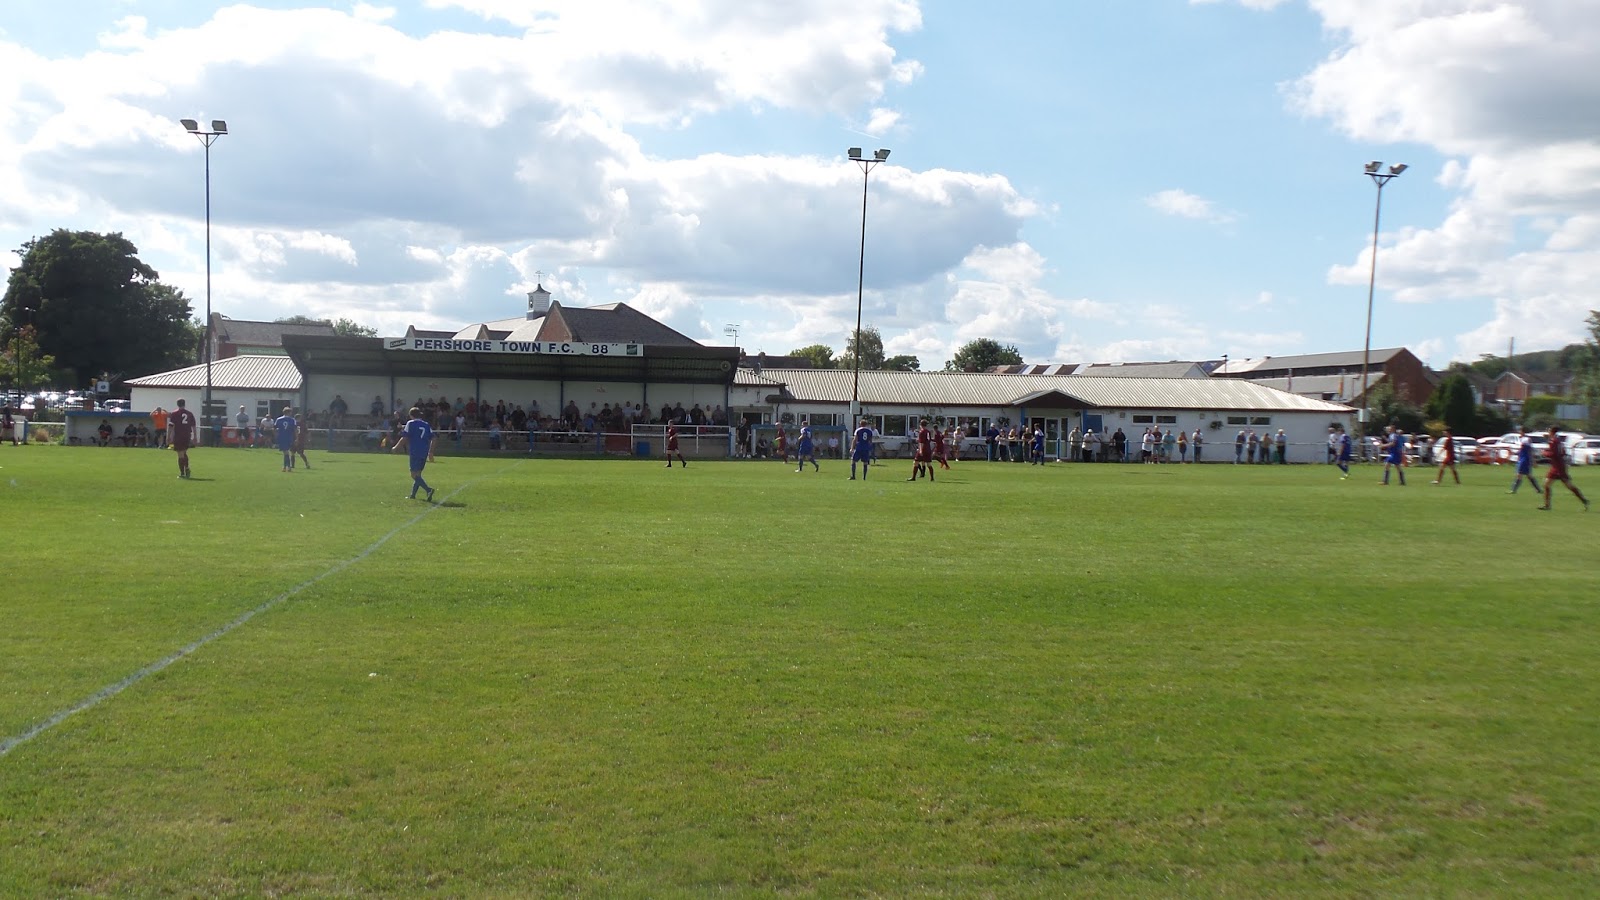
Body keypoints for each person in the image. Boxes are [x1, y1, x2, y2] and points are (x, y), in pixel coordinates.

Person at [390, 407, 436, 502]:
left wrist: (396, 447)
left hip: (415, 451)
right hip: (424, 452)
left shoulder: (410, 423)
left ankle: (428, 490)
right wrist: (431, 452)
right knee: (418, 474)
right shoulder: (426, 424)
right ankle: (413, 495)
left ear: (411, 415)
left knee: (413, 475)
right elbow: (434, 438)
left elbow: (404, 438)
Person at [1538, 428, 1589, 511]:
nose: (1548, 433)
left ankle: (1584, 500)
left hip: (1558, 467)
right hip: (1558, 466)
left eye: (1549, 431)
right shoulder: (1558, 441)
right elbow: (1563, 452)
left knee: (1568, 485)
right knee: (1546, 484)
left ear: (1551, 432)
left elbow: (1553, 454)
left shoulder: (1553, 441)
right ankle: (1547, 505)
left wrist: (1544, 453)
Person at [168, 398, 197, 478]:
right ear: (184, 404)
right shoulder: (190, 414)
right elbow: (194, 426)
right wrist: (195, 437)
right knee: (183, 453)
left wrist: (168, 437)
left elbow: (170, 426)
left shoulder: (174, 413)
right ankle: (187, 468)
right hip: (187, 435)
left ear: (177, 404)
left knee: (180, 454)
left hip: (178, 436)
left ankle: (182, 473)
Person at [1508, 428, 1541, 495]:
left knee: (1520, 475)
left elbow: (1529, 450)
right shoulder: (1522, 439)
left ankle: (1513, 490)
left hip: (1525, 459)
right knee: (1528, 475)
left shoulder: (1526, 439)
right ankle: (1538, 489)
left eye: (1520, 431)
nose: (1519, 432)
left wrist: (1533, 460)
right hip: (1522, 459)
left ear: (1523, 432)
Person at [908, 418, 935, 482]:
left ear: (920, 425)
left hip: (923, 449)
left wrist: (920, 450)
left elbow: (921, 442)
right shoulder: (928, 432)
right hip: (928, 449)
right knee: (929, 464)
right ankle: (932, 478)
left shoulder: (921, 432)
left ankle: (913, 477)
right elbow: (928, 440)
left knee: (916, 462)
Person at [274, 407, 298, 472]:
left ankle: (287, 467)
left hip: (282, 437)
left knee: (285, 452)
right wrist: (296, 438)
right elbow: (295, 430)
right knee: (286, 452)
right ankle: (286, 467)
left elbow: (275, 428)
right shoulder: (292, 420)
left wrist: (276, 436)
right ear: (289, 412)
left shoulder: (279, 419)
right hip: (290, 437)